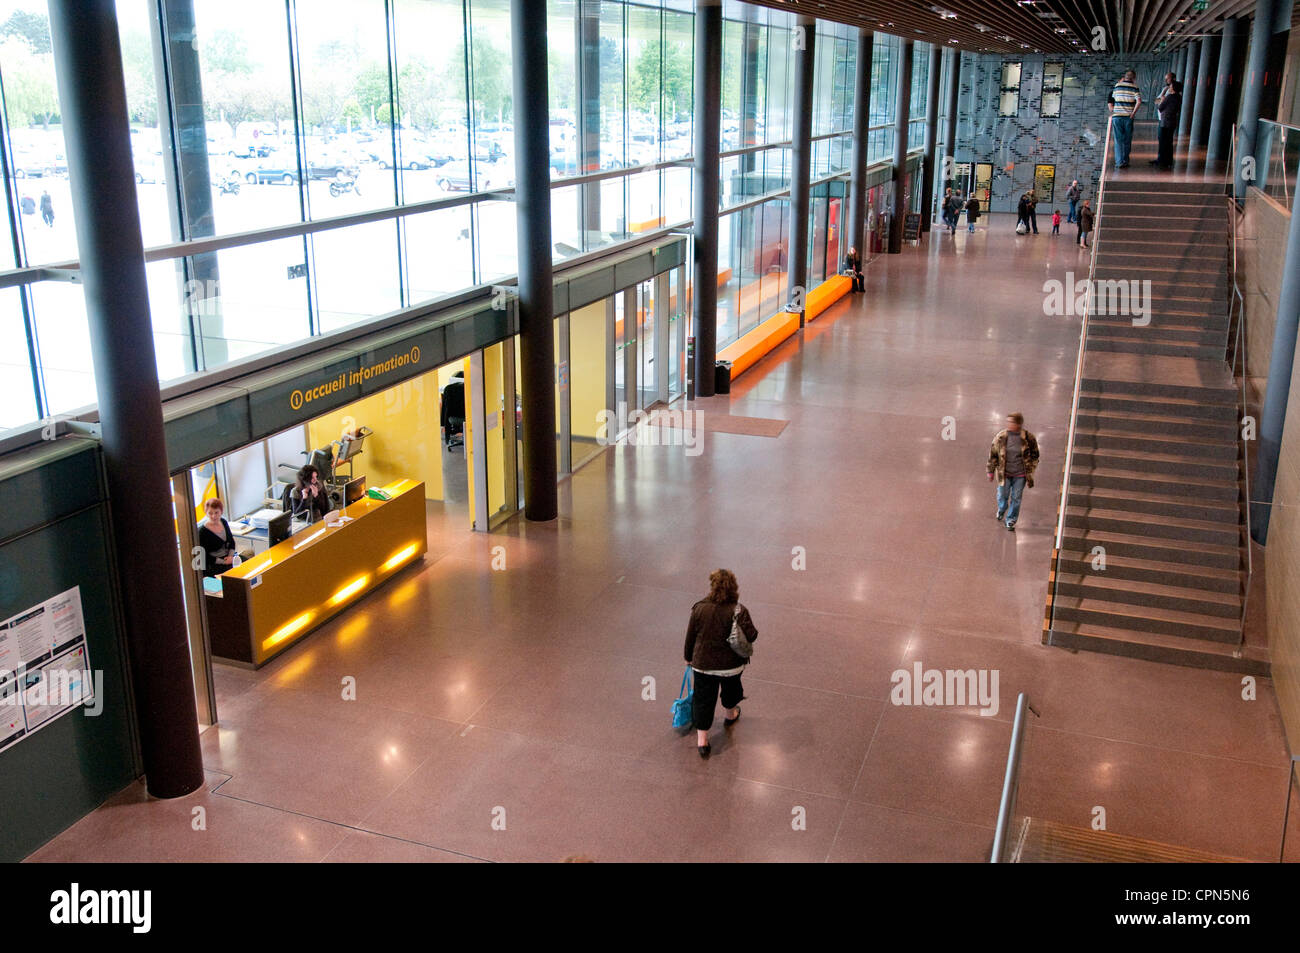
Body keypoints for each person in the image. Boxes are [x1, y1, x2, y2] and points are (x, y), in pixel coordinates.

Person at [683, 569, 758, 759]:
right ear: (734, 587)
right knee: (731, 689)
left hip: (703, 664)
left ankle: (702, 742)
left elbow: (690, 637)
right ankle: (730, 715)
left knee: (703, 699)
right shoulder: (739, 610)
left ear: (712, 586)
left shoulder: (699, 608)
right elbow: (753, 635)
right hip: (730, 665)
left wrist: (688, 656)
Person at [987, 412, 1040, 532]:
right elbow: (993, 453)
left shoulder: (1028, 438)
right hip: (1004, 473)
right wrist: (990, 470)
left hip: (1020, 475)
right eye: (1008, 422)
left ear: (1019, 424)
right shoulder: (1001, 436)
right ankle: (1002, 509)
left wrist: (1030, 470)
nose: (1009, 424)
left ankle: (1011, 519)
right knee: (1002, 495)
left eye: (1012, 422)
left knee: (1016, 498)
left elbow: (1035, 455)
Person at [1107, 69, 1142, 169]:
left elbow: (1113, 98)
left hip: (1117, 116)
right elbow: (1139, 101)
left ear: (1125, 77)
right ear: (1134, 78)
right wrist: (1133, 113)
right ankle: (1125, 160)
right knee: (1127, 140)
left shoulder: (1117, 86)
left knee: (1118, 140)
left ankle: (1119, 162)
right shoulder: (1135, 87)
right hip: (1128, 117)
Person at [197, 498, 238, 578]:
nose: (213, 516)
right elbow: (205, 556)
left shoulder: (223, 521)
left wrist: (230, 556)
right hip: (214, 564)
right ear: (206, 513)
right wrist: (223, 562)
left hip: (228, 558)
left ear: (221, 512)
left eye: (216, 512)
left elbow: (231, 542)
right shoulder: (202, 531)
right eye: (210, 513)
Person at [1153, 74, 1182, 169]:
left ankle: (1162, 160)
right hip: (1172, 121)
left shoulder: (1170, 96)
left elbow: (1160, 107)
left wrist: (1162, 99)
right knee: (1169, 141)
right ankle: (1168, 160)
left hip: (1165, 121)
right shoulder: (1178, 97)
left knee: (1163, 141)